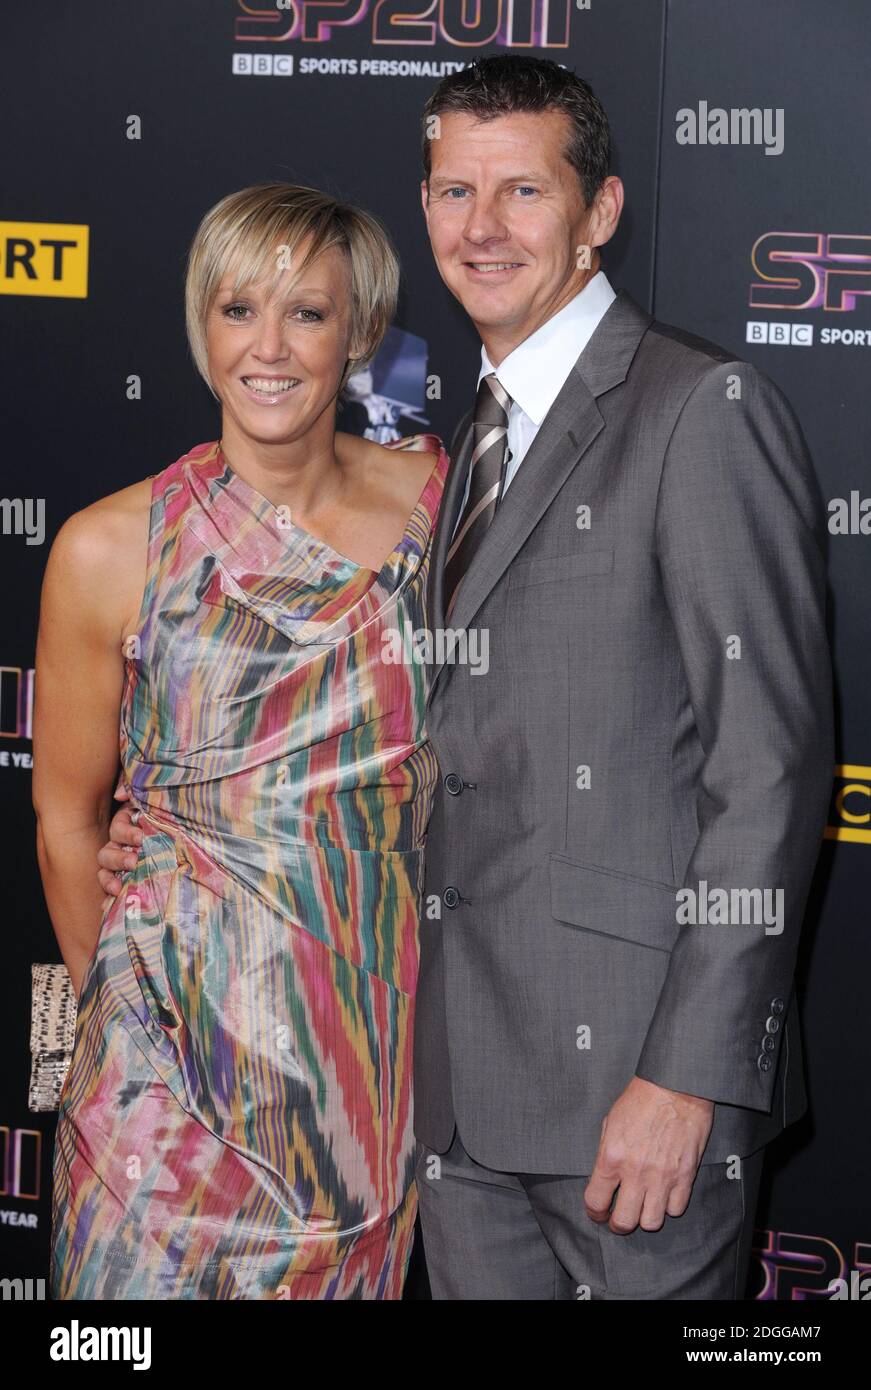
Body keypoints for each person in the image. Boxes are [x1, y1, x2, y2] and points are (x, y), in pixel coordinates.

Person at [99, 58, 834, 1302]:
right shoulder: (450, 459)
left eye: (522, 192)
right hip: (441, 1094)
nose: (481, 228)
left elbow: (768, 770)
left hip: (630, 1100)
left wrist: (688, 1077)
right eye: (452, 191)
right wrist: (179, 840)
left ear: (600, 211)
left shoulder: (697, 408)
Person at [33, 181, 448, 1300]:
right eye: (236, 310)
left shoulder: (444, 512)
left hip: (364, 1060)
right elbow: (67, 817)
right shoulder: (105, 549)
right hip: (160, 1080)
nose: (268, 348)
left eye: (306, 314)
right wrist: (126, 1017)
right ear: (199, 328)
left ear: (358, 332)